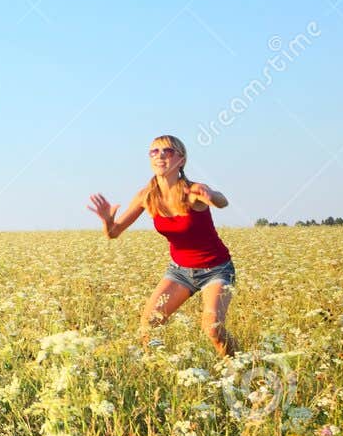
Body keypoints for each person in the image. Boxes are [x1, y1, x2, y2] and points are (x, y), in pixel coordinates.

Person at [86, 133, 238, 357]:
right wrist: (107, 221)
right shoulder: (146, 195)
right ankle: (160, 369)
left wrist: (212, 195)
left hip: (216, 269)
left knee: (212, 329)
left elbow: (223, 202)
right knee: (149, 326)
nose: (159, 156)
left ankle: (237, 366)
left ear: (181, 160)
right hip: (180, 272)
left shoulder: (193, 191)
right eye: (154, 152)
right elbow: (114, 233)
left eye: (167, 151)